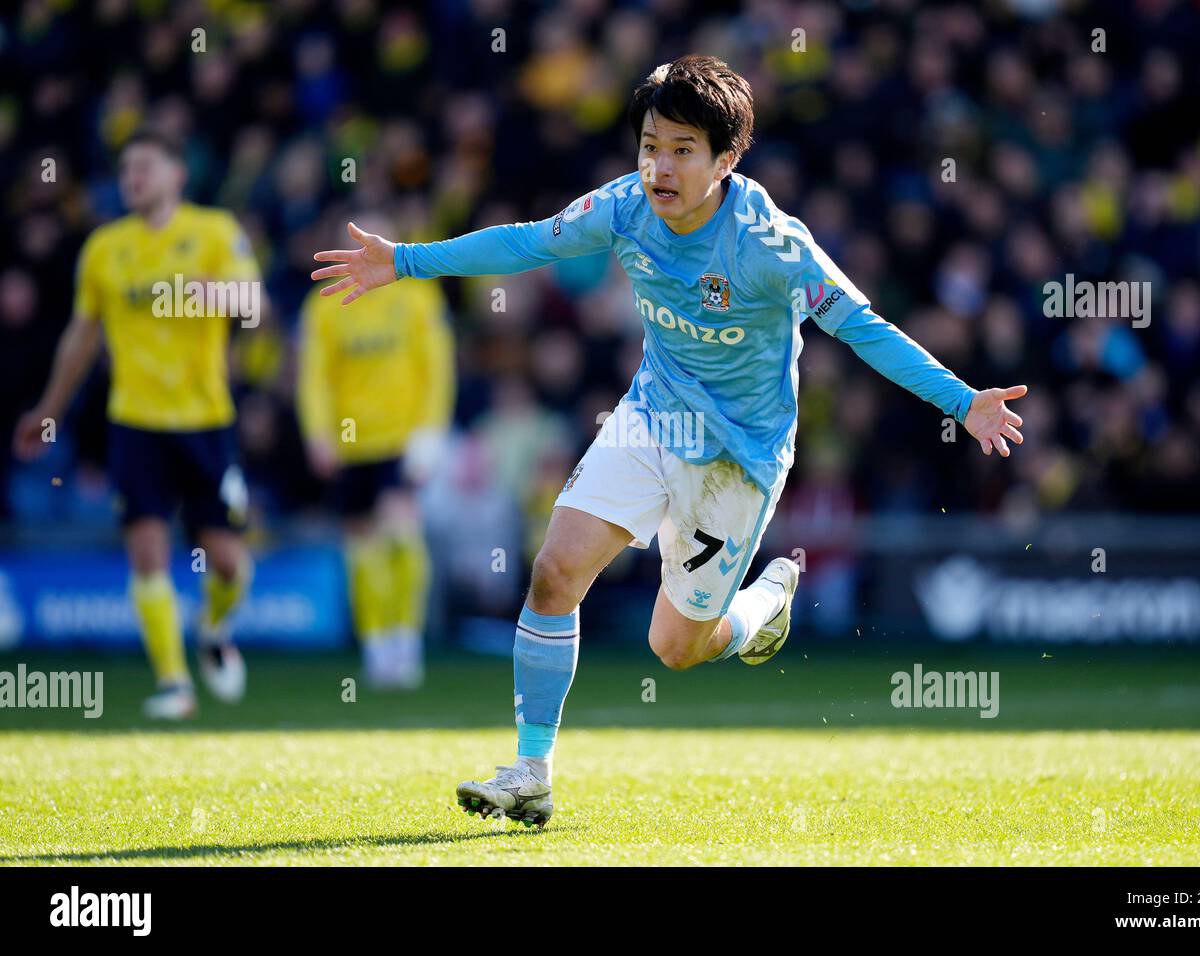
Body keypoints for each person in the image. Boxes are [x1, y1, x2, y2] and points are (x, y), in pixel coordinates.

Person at [310, 56, 1026, 826]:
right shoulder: (624, 205)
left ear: (726, 160)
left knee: (675, 647)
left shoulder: (770, 245)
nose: (659, 165)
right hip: (654, 416)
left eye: (683, 149)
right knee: (554, 573)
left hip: (738, 460)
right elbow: (527, 243)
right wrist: (406, 262)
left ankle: (758, 611)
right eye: (651, 144)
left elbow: (863, 328)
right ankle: (530, 770)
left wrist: (963, 400)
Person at [13, 128, 258, 720]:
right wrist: (48, 408)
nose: (133, 178)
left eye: (146, 166)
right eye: (126, 169)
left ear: (178, 174)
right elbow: (82, 333)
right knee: (145, 548)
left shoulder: (215, 232)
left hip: (205, 421)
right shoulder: (105, 247)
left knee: (227, 562)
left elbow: (257, 305)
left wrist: (222, 295)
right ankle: (175, 684)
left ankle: (212, 626)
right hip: (135, 422)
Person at [296, 212, 454, 689]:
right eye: (352, 241)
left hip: (401, 439)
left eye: (371, 240)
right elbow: (314, 375)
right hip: (350, 444)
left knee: (401, 534)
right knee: (361, 547)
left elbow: (438, 368)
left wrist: (430, 432)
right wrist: (317, 433)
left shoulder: (416, 294)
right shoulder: (324, 303)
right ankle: (375, 642)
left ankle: (405, 638)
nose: (363, 249)